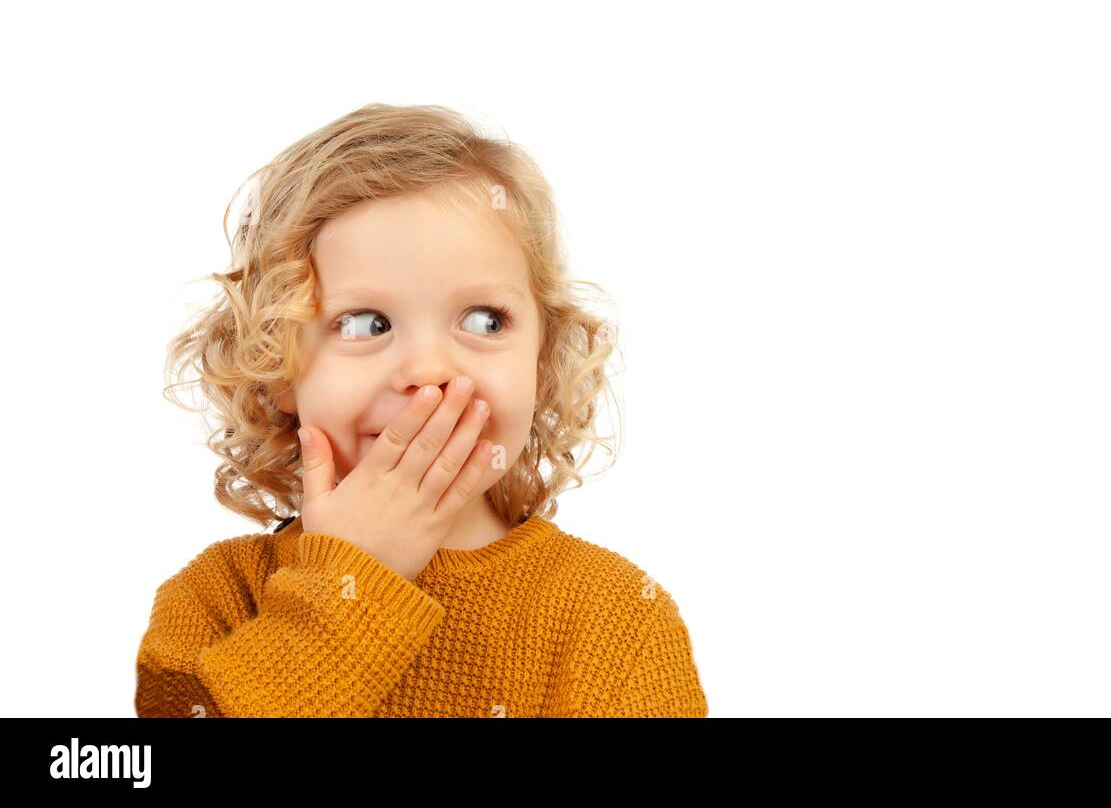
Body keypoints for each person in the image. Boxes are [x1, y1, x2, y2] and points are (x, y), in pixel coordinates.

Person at [135, 103, 708, 717]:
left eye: (485, 320)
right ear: (276, 366)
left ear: (543, 359)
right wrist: (346, 587)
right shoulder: (217, 599)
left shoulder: (617, 622)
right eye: (365, 323)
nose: (428, 370)